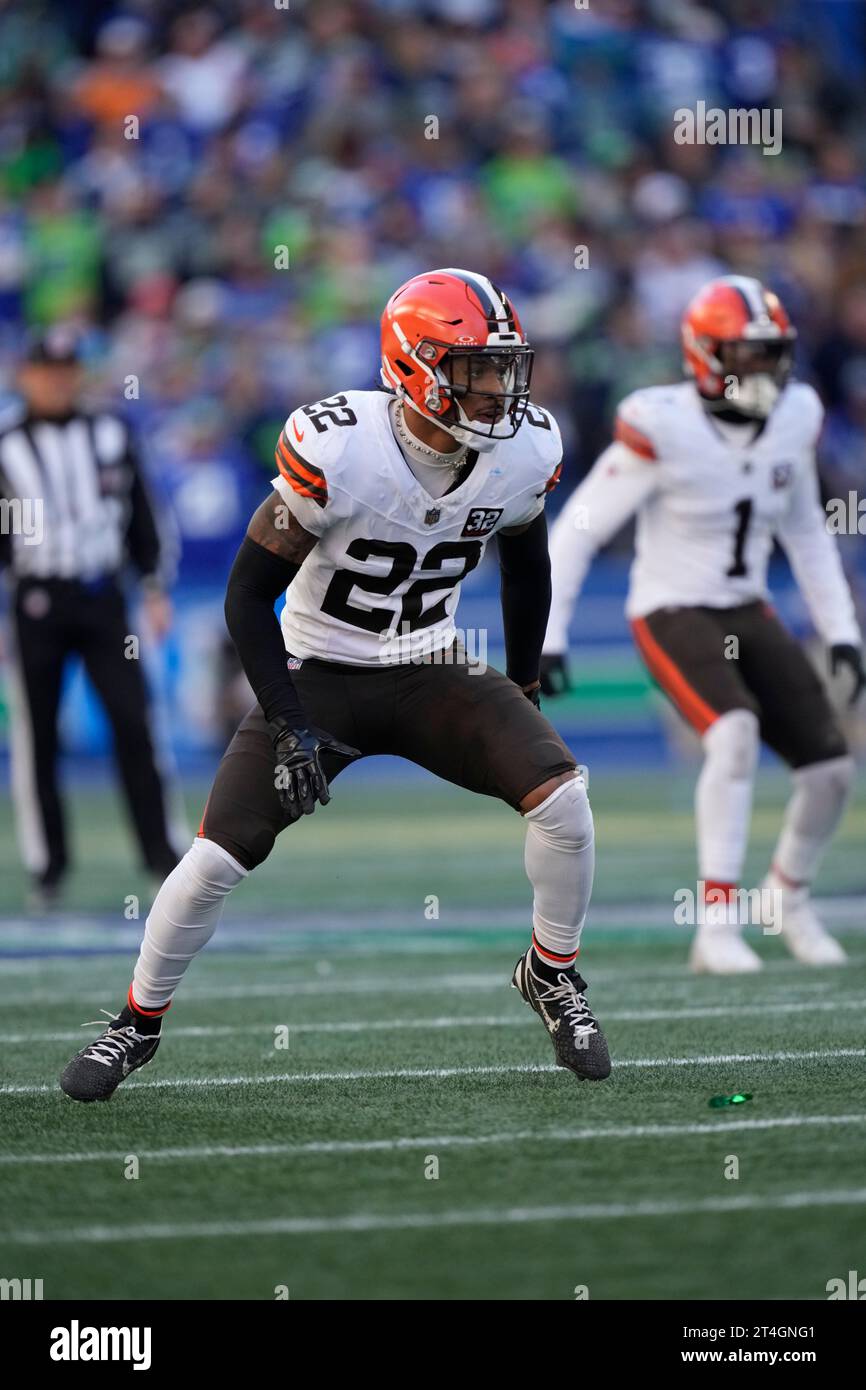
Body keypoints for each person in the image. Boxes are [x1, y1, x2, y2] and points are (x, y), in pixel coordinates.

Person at [59, 268, 610, 1101]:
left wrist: (524, 681)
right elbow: (246, 597)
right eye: (474, 369)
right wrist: (288, 724)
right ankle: (135, 1023)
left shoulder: (525, 451)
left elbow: (527, 560)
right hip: (318, 671)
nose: (498, 390)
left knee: (564, 803)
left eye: (504, 368)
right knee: (213, 860)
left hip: (431, 663)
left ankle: (552, 973)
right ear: (414, 366)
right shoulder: (341, 444)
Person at [541, 276, 863, 975]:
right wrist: (551, 632)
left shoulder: (795, 413)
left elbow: (808, 530)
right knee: (735, 732)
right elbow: (580, 527)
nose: (764, 371)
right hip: (670, 605)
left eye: (772, 354)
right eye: (747, 355)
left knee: (833, 770)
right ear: (707, 356)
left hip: (749, 605)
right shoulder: (666, 424)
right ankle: (715, 923)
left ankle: (788, 896)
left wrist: (842, 628)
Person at [0, 326, 181, 906]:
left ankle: (161, 852)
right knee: (39, 737)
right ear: (25, 376)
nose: (57, 382)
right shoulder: (5, 442)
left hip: (106, 598)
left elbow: (143, 516)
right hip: (36, 602)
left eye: (67, 371)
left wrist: (154, 587)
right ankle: (48, 865)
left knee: (136, 723)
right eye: (46, 371)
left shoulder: (110, 432)